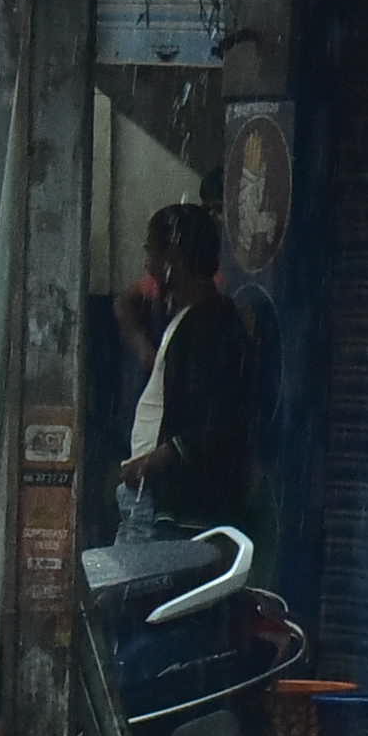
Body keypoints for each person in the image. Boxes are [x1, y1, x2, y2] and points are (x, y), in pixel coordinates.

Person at [115, 200, 257, 544]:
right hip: (159, 499)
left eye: (152, 252)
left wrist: (152, 463)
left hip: (179, 508)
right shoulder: (192, 318)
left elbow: (213, 420)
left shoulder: (208, 326)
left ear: (172, 259)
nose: (147, 264)